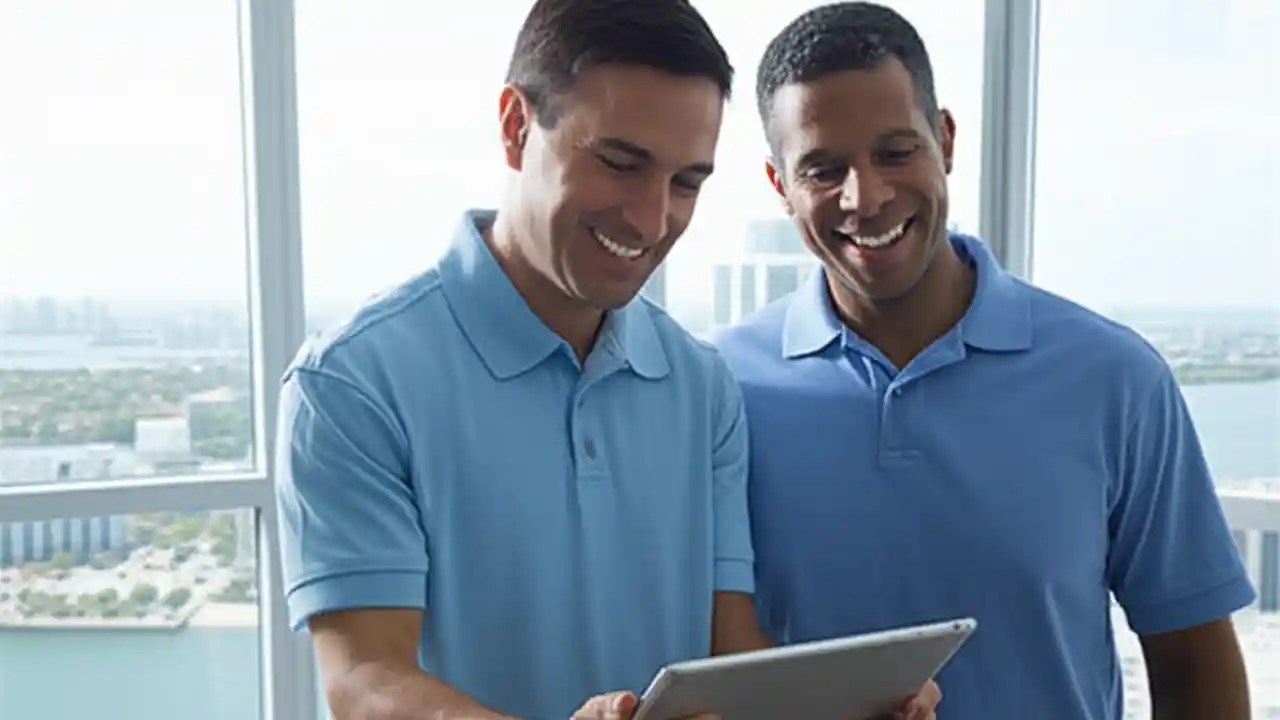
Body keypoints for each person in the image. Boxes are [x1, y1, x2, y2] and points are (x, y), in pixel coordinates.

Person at [273, 1, 939, 718]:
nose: (653, 221)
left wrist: (844, 707)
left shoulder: (699, 381)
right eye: (622, 164)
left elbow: (728, 648)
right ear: (515, 126)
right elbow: (366, 681)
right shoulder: (351, 382)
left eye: (687, 182)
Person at [714, 3, 1255, 718]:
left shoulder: (1114, 380)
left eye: (896, 152)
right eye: (824, 168)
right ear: (780, 186)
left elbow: (1192, 662)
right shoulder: (722, 388)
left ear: (945, 140)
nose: (865, 196)